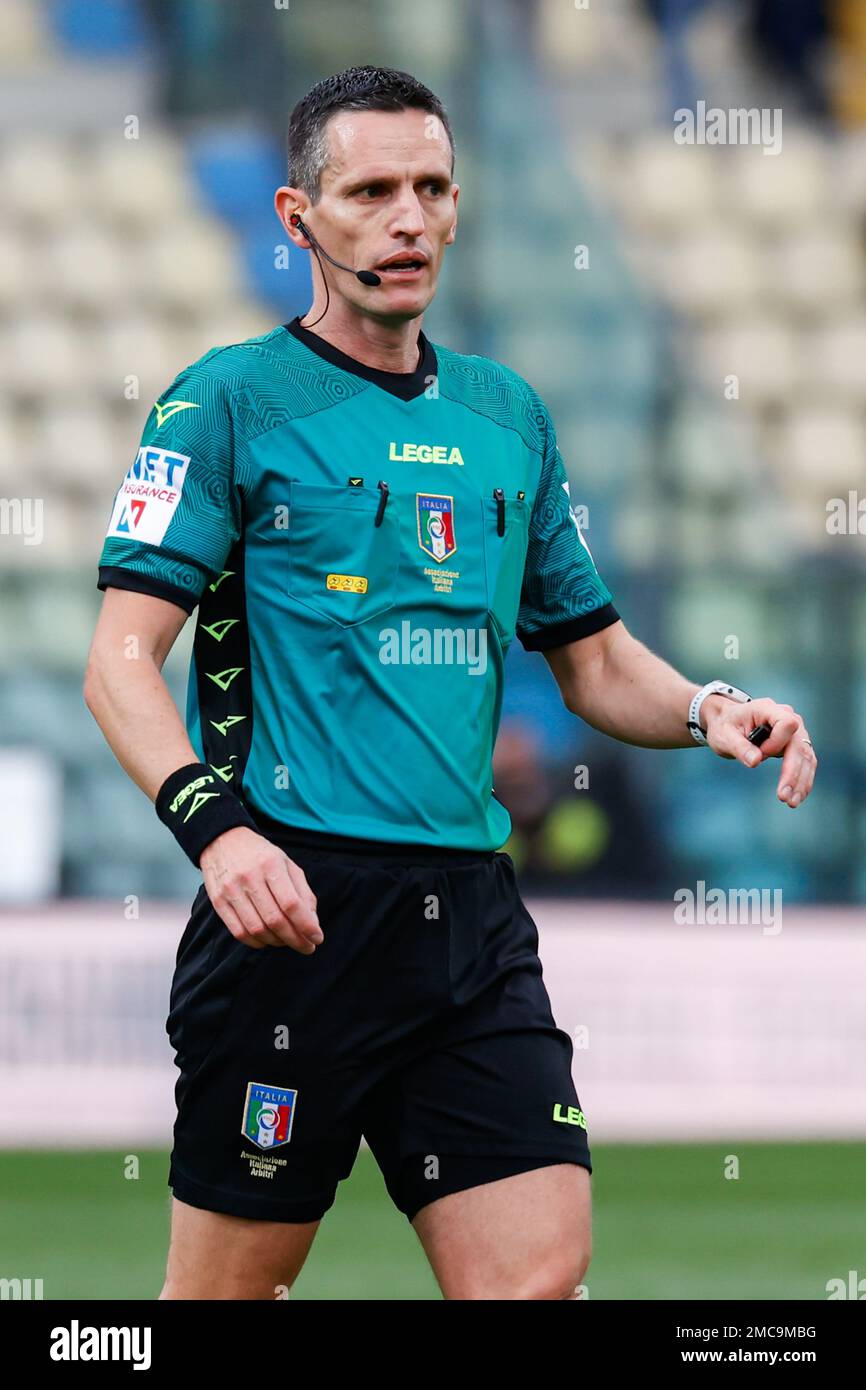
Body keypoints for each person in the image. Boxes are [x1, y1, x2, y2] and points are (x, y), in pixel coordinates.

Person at [83, 65, 817, 1301]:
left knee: (537, 1276)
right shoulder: (225, 401)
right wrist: (216, 836)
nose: (407, 217)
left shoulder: (505, 416)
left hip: (470, 922)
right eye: (370, 190)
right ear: (295, 216)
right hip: (294, 918)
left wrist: (705, 709)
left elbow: (590, 662)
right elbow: (118, 664)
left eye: (430, 187)